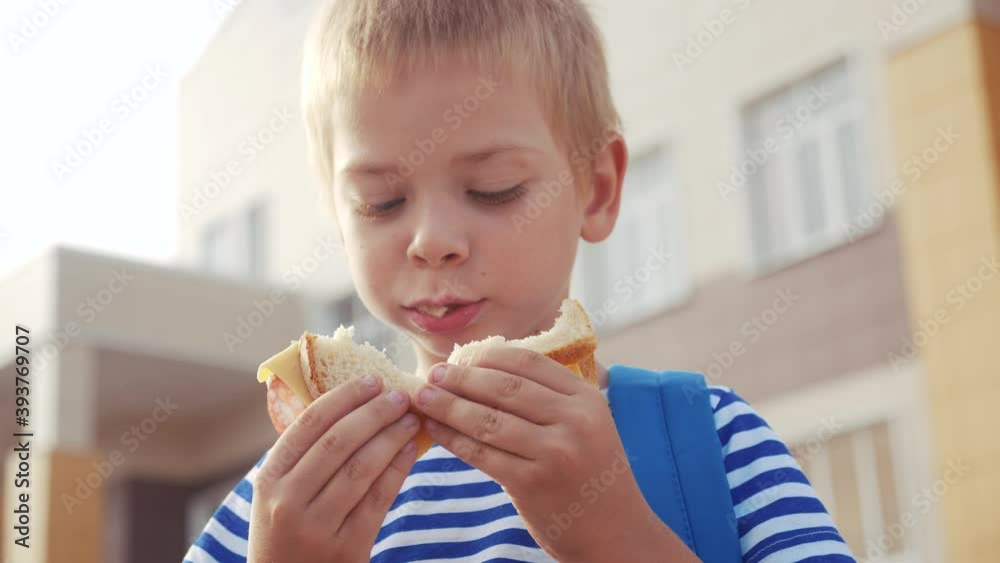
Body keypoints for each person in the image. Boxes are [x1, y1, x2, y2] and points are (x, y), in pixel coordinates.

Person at [184, 0, 855, 561]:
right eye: (381, 202)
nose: (432, 240)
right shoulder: (278, 503)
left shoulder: (710, 439)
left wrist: (614, 535)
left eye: (493, 189)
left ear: (595, 190)